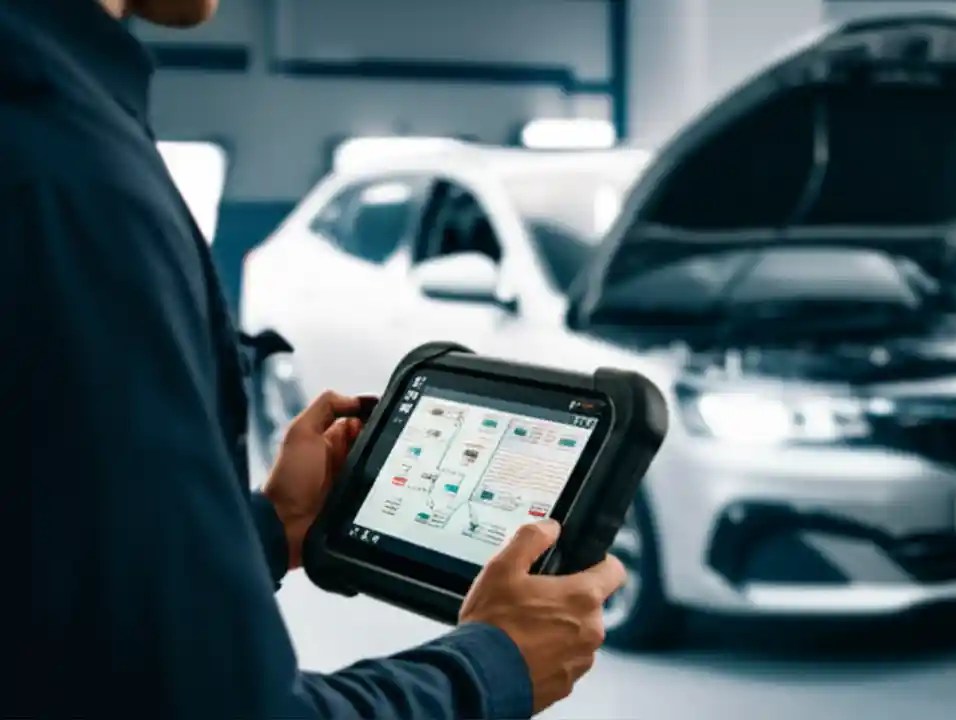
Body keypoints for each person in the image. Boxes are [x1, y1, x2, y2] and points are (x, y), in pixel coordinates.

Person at [4, 0, 626, 717]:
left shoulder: (51, 127)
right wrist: (494, 667)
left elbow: (50, 582)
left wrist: (270, 526)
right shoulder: (72, 178)